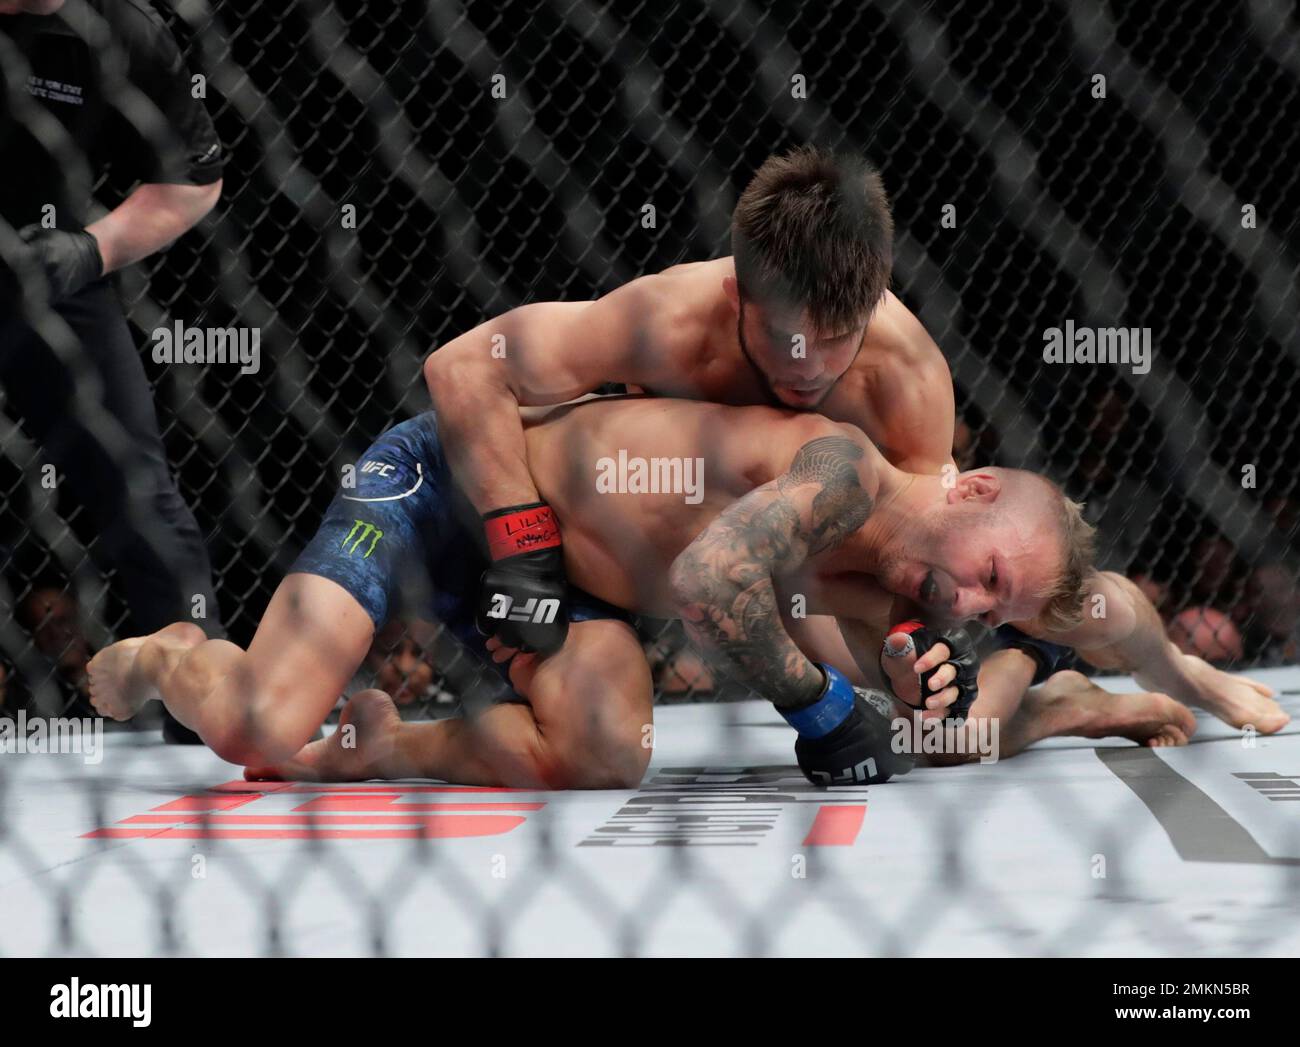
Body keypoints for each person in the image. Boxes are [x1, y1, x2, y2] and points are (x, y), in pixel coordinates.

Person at [87, 396, 1283, 789]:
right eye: (985, 582)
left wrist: (1175, 676)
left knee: (606, 755)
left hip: (573, 588)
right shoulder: (840, 470)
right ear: (967, 491)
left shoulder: (915, 588)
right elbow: (717, 576)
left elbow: (1087, 604)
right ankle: (168, 651)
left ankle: (389, 748)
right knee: (252, 723)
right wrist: (823, 711)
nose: (974, 605)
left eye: (992, 608)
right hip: (447, 489)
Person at [0, 0, 225, 742]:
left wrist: (87, 251)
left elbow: (194, 177)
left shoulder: (121, 27)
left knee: (141, 493)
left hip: (51, 269)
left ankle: (205, 712)